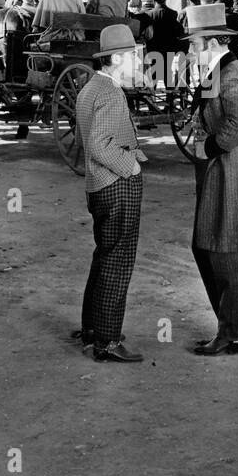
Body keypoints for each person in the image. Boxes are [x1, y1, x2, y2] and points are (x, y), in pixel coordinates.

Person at [183, 4, 238, 356]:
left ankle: (232, 331)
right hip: (215, 166)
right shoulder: (216, 69)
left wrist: (208, 146)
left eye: (193, 43)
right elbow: (209, 111)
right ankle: (230, 326)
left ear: (212, 42)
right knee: (207, 245)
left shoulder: (230, 75)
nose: (190, 50)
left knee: (224, 247)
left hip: (226, 166)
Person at [73, 24, 148, 363]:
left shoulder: (89, 88)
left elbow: (83, 139)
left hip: (96, 186)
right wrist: (130, 165)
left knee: (104, 257)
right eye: (132, 57)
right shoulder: (111, 93)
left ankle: (92, 329)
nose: (137, 62)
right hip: (117, 186)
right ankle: (108, 342)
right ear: (116, 59)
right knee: (118, 263)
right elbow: (99, 145)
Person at [141, 0, 182, 88]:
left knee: (154, 72)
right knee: (167, 71)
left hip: (153, 48)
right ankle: (170, 95)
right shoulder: (173, 13)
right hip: (169, 48)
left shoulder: (149, 14)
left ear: (154, 0)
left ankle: (153, 94)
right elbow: (177, 31)